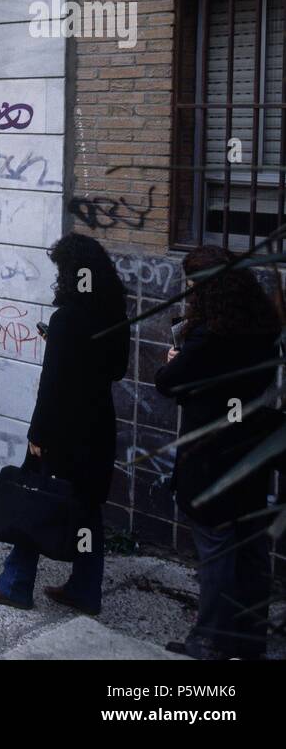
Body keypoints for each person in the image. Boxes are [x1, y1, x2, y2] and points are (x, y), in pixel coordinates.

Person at [0, 233, 128, 610]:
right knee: (87, 509)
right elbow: (116, 370)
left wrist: (37, 432)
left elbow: (53, 384)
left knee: (36, 499)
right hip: (98, 425)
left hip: (63, 429)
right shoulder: (115, 316)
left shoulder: (66, 320)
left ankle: (16, 582)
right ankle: (85, 588)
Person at [155, 247, 280, 660]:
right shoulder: (264, 324)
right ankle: (250, 641)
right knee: (251, 550)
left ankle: (208, 641)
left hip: (210, 457)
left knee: (216, 551)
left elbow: (169, 382)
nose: (189, 293)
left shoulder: (210, 336)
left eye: (192, 285)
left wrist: (174, 359)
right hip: (253, 450)